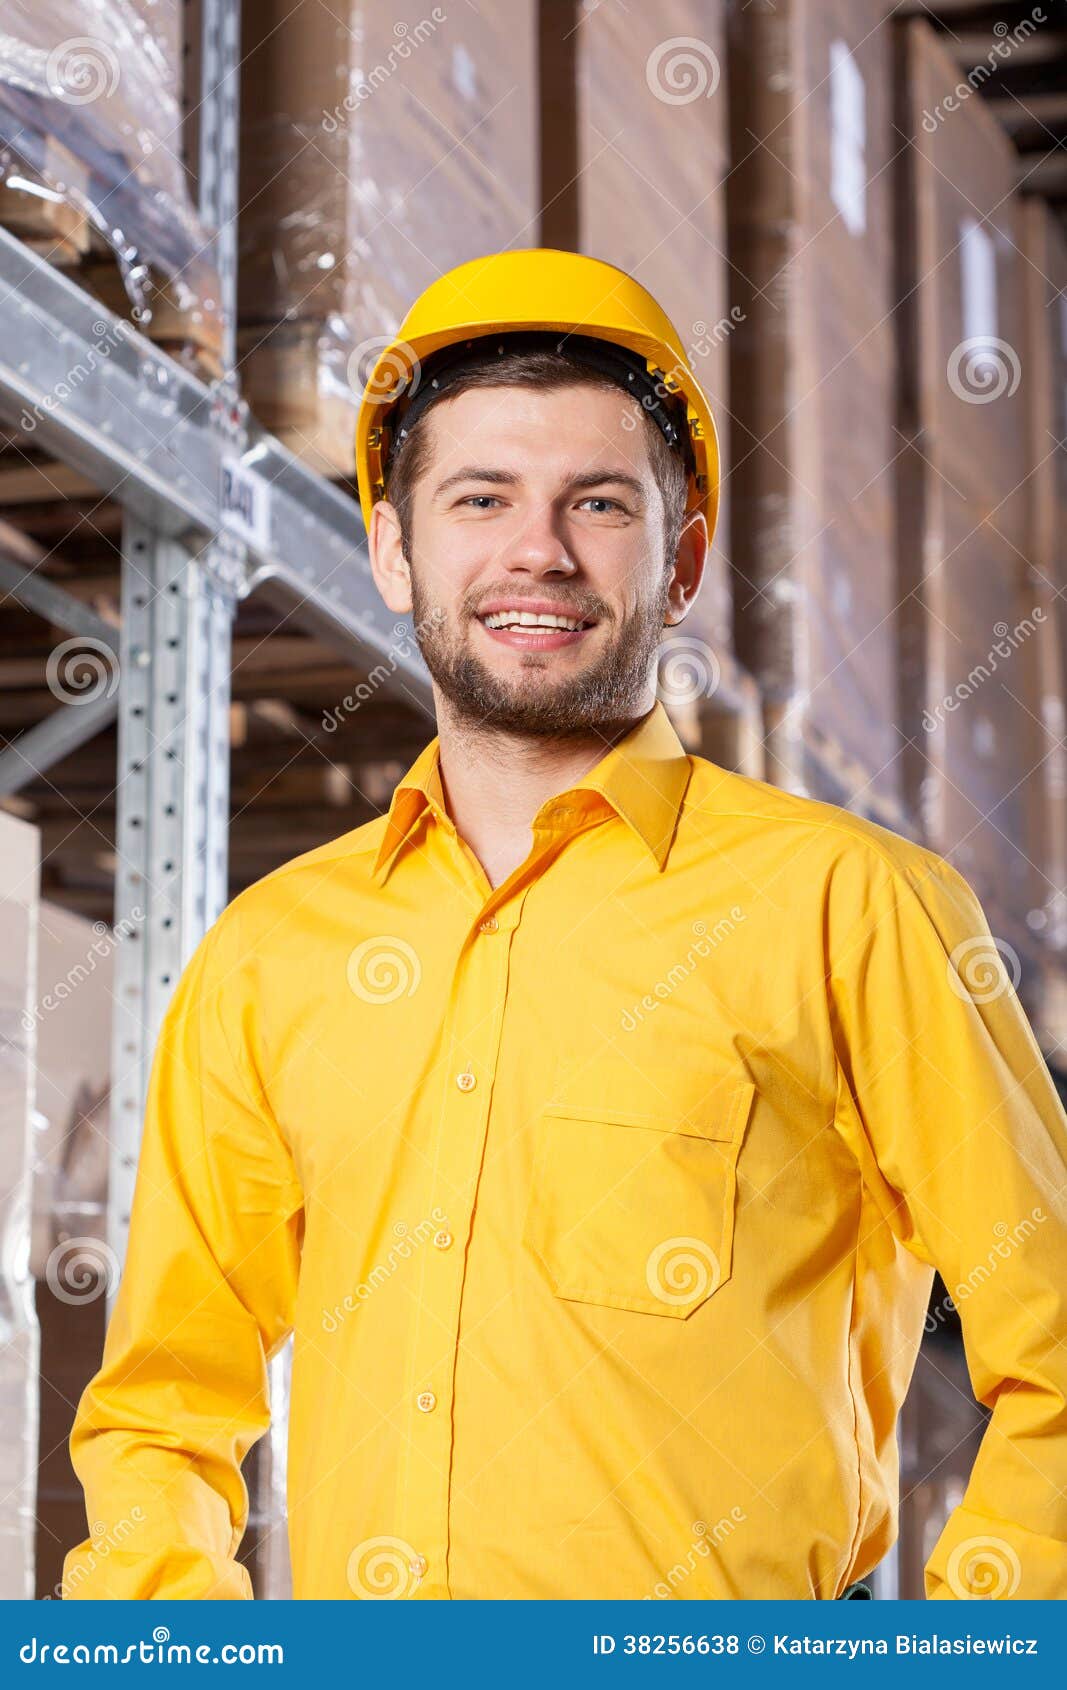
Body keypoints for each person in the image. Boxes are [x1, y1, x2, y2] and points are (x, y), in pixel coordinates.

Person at [63, 249, 1067, 1600]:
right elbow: (164, 1404)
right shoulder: (271, 955)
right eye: (480, 498)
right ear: (395, 548)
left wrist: (971, 1652)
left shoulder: (849, 908)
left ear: (685, 556)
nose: (537, 550)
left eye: (597, 503)